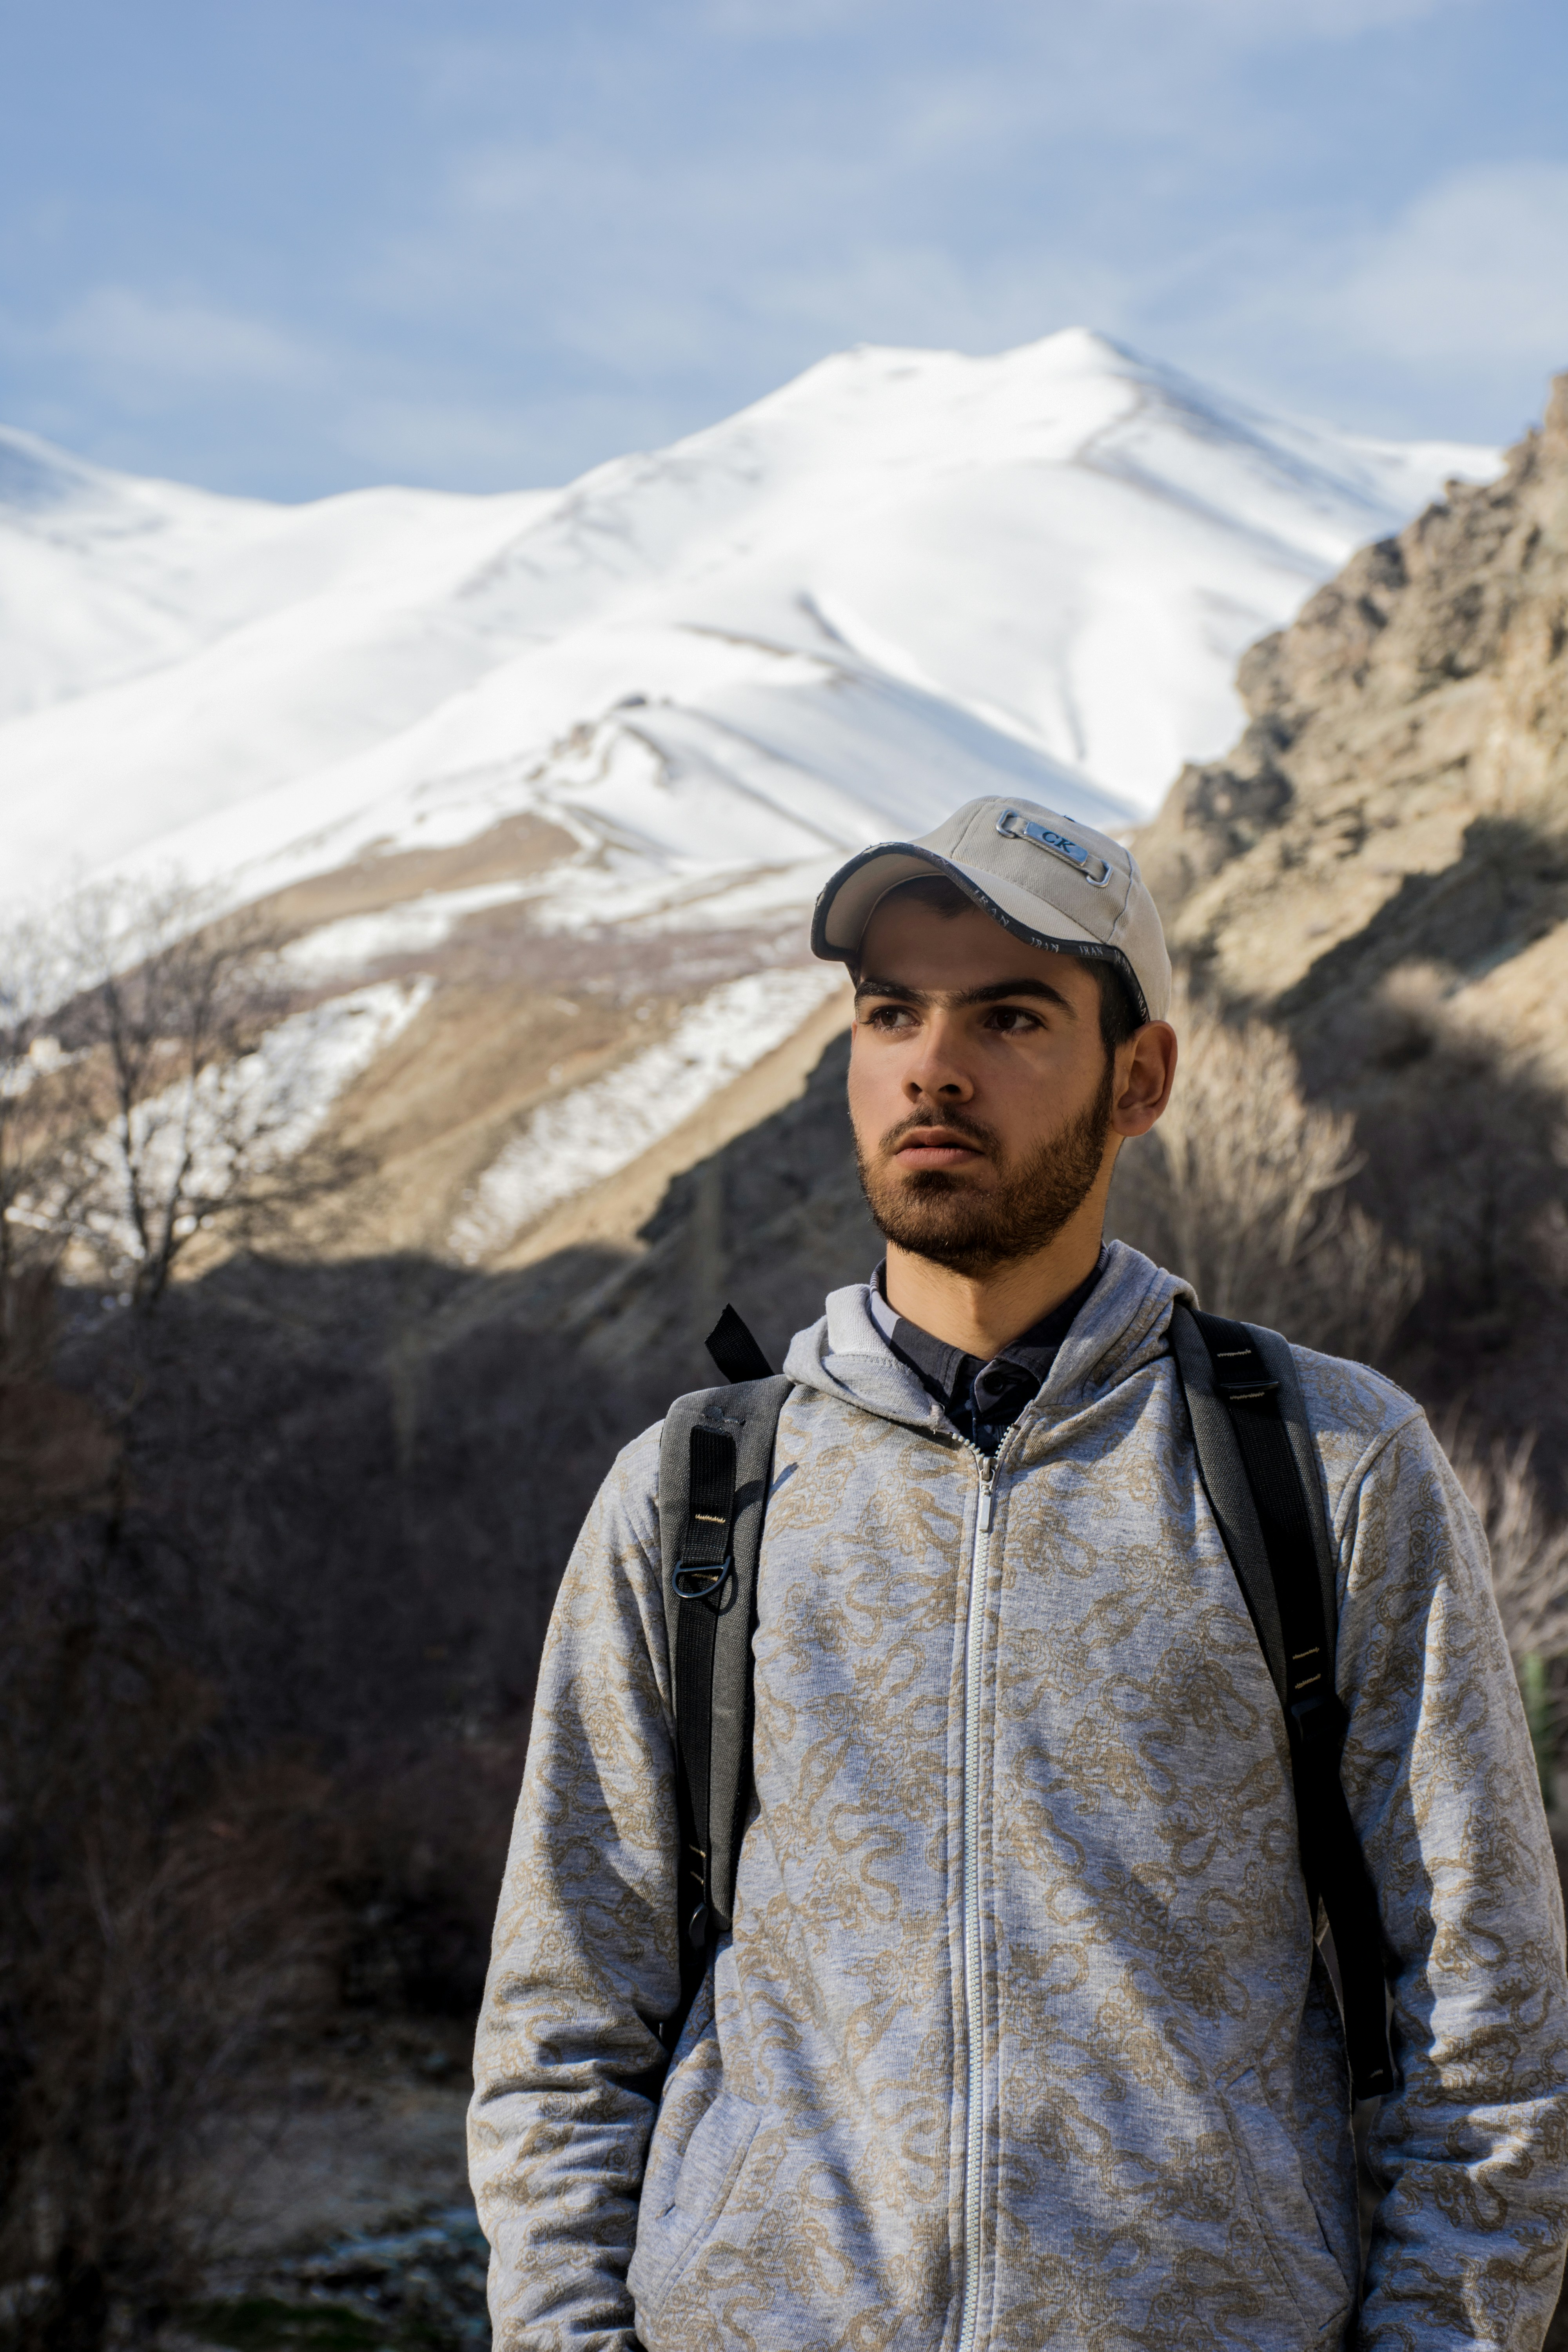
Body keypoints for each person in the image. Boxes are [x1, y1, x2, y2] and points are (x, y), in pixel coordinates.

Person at [469, 794, 1568, 2350]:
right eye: (889, 1012)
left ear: (1140, 1078)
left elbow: (1489, 2034)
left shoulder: (1329, 1466)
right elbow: (559, 2030)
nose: (933, 1062)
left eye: (1010, 1014)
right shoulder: (700, 1495)